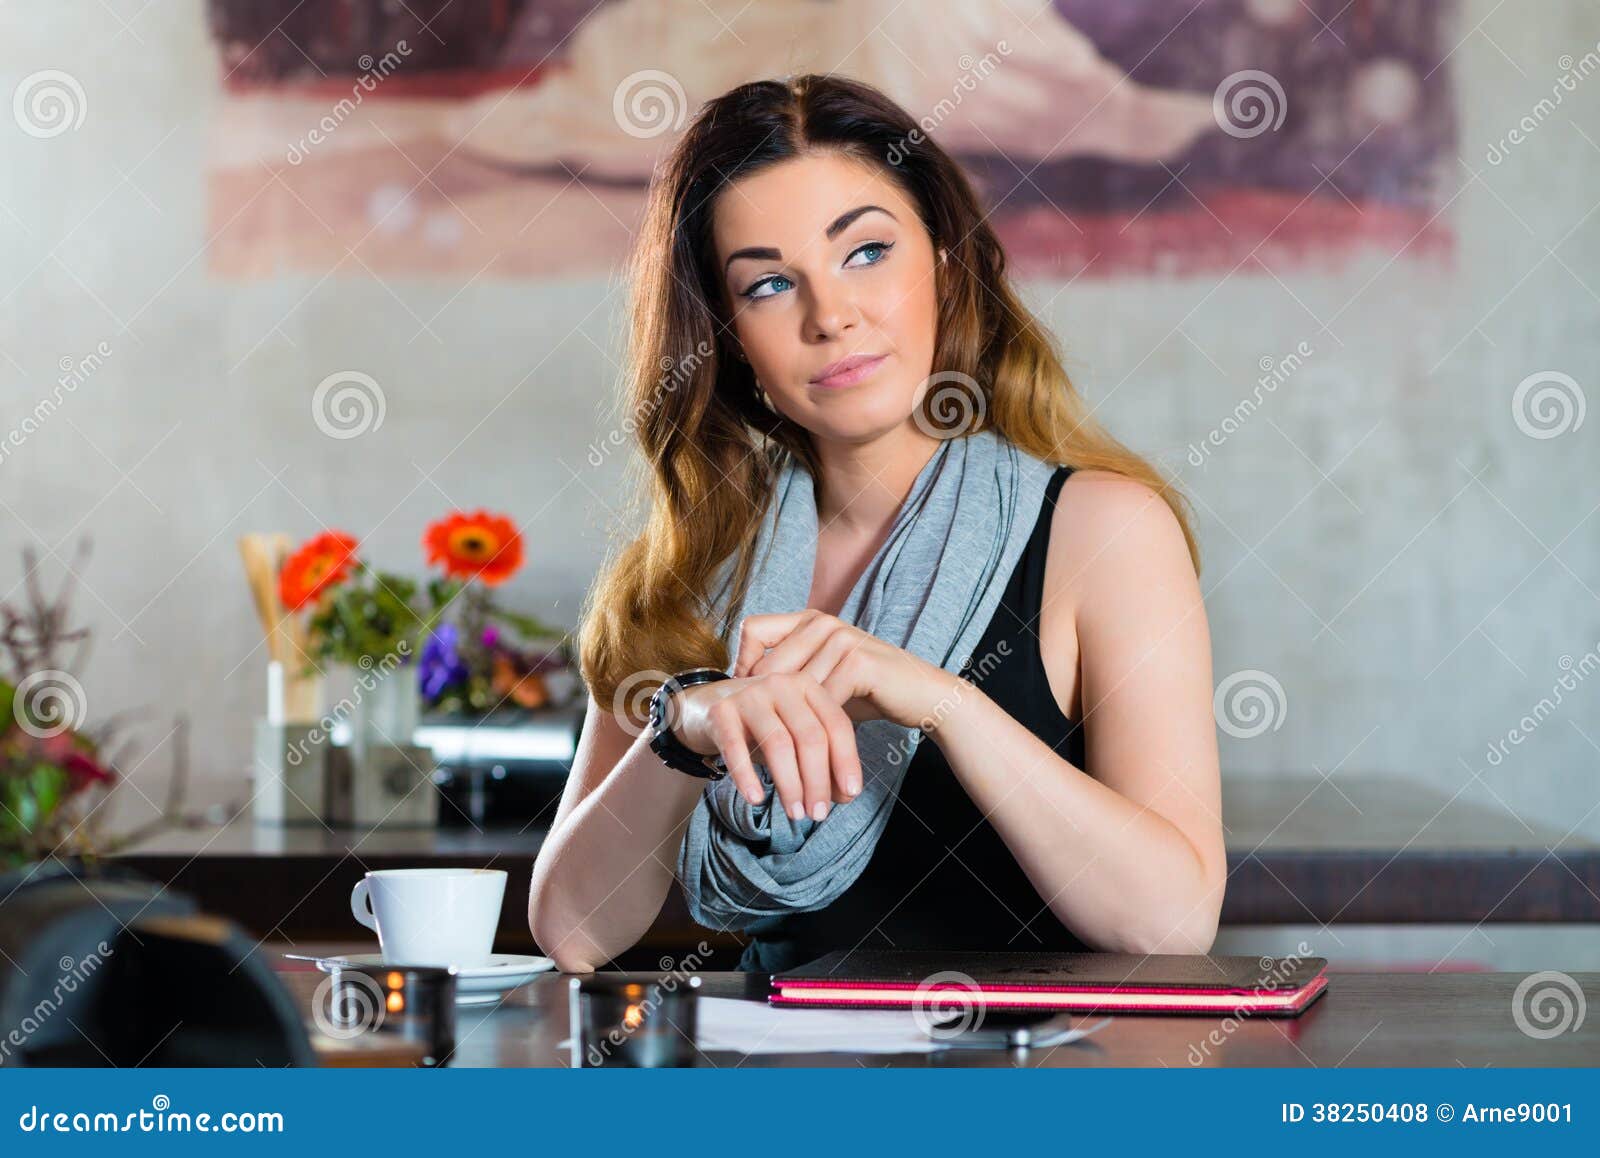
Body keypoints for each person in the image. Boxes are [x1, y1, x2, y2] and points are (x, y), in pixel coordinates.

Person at [530, 74, 1224, 974]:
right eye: (771, 284)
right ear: (727, 337)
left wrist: (942, 703)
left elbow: (1172, 922)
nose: (832, 316)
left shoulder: (1106, 531)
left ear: (942, 260)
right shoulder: (686, 569)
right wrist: (684, 725)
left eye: (865, 253)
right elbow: (576, 932)